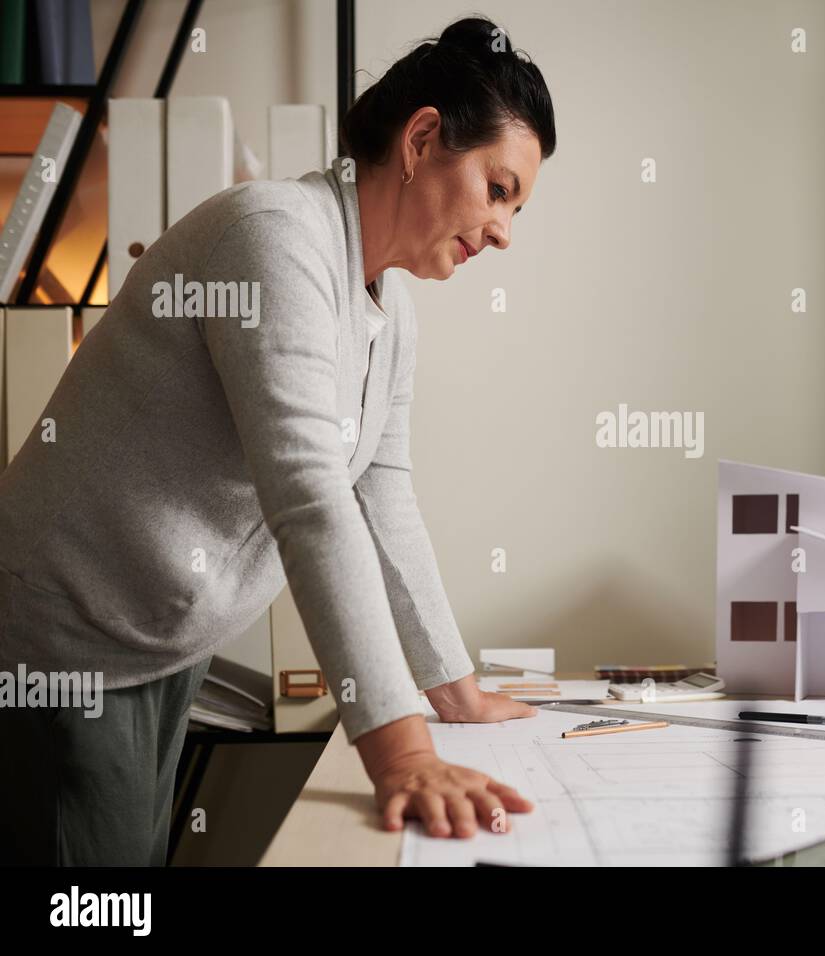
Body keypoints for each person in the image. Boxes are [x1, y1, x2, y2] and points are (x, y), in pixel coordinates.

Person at [0, 15, 557, 865]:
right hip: (65, 642)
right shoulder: (273, 236)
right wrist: (401, 751)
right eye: (500, 189)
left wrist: (457, 690)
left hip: (160, 644)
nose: (505, 231)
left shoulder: (387, 309)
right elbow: (311, 498)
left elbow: (384, 496)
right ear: (422, 139)